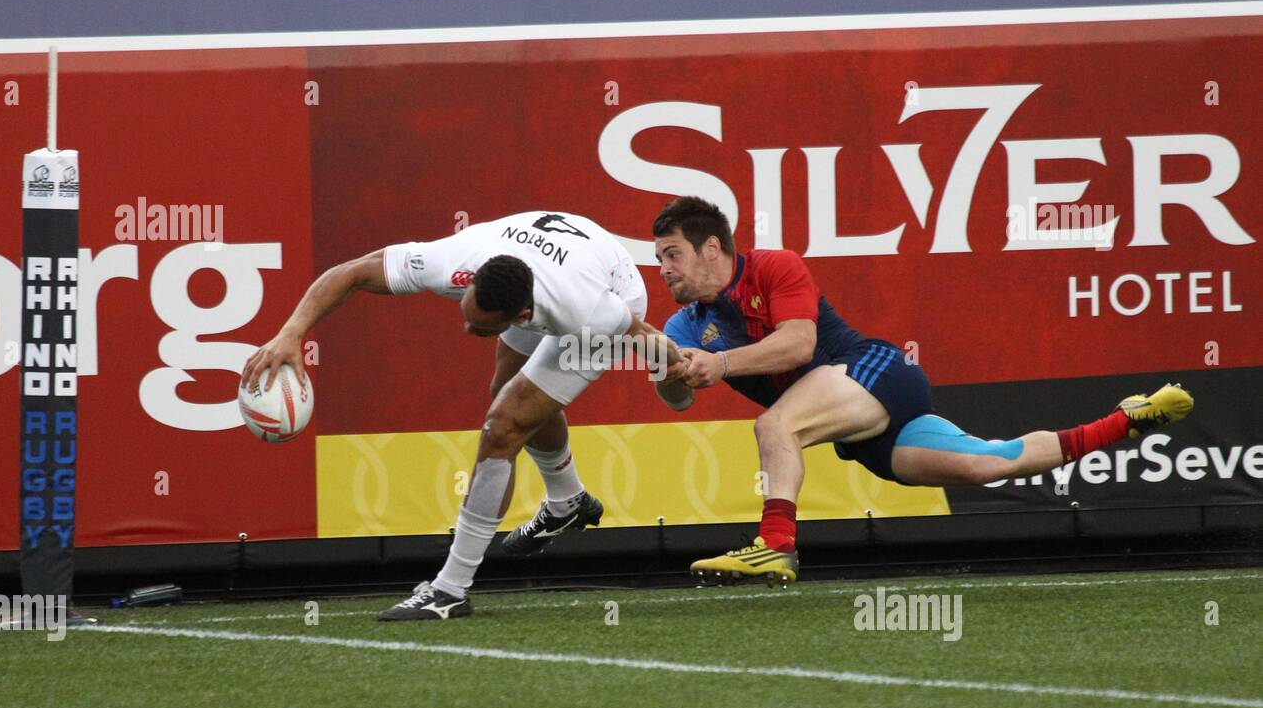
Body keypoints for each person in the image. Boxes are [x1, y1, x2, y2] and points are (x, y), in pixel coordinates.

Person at [650, 196, 1194, 586]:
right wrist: (667, 374)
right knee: (989, 464)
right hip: (860, 425)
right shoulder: (682, 325)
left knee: (774, 425)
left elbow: (798, 344)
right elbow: (680, 400)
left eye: (672, 254)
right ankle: (1127, 421)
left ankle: (776, 546)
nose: (663, 268)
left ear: (712, 247)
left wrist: (719, 363)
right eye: (659, 259)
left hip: (877, 371)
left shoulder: (774, 266)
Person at [242, 211, 680, 620]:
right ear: (468, 283)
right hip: (556, 259)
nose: (468, 331)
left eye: (482, 328)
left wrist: (673, 373)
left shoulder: (587, 313)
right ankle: (567, 501)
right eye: (467, 315)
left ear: (522, 316)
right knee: (507, 393)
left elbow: (643, 338)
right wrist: (290, 333)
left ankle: (449, 591)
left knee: (503, 426)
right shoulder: (451, 259)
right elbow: (352, 272)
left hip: (611, 290)